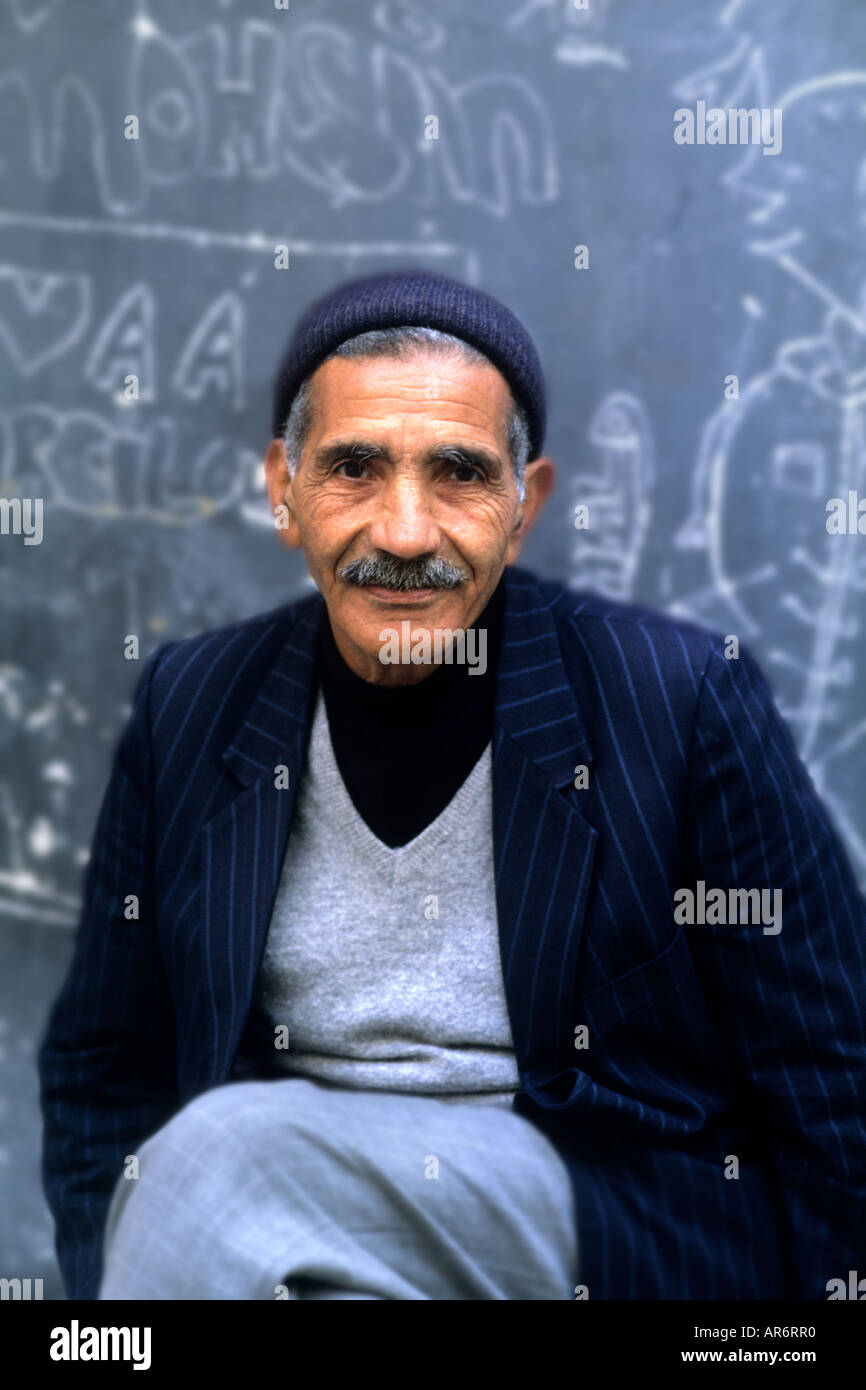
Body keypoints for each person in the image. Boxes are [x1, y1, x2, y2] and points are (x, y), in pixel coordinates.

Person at [38, 269, 866, 1301]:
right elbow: (102, 1072)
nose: (402, 532)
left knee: (231, 1153)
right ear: (280, 489)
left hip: (588, 1225)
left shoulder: (679, 698)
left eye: (459, 474)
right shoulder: (192, 702)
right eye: (352, 467)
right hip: (282, 1254)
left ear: (524, 509)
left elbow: (833, 1072)